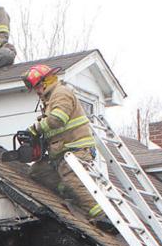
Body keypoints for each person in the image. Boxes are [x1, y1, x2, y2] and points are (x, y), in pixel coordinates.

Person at [19, 64, 111, 230]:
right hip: (61, 152)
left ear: (46, 81)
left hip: (76, 149)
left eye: (37, 87)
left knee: (72, 179)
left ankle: (103, 218)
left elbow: (57, 120)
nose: (37, 92)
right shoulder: (50, 99)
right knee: (38, 172)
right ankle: (71, 195)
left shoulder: (61, 93)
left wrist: (35, 129)